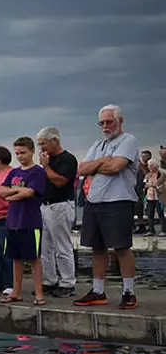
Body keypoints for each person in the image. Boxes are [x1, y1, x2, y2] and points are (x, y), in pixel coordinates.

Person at [74, 104, 139, 310]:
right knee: (97, 248)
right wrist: (103, 161)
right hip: (95, 202)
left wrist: (97, 165)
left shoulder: (128, 141)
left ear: (120, 121)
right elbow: (82, 169)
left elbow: (116, 166)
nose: (105, 126)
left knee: (121, 247)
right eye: (101, 123)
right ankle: (98, 290)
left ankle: (129, 292)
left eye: (109, 122)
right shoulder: (98, 145)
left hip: (118, 200)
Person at [0, 137, 46, 305]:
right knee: (15, 257)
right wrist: (16, 191)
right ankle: (16, 291)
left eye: (23, 153)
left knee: (34, 258)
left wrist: (12, 193)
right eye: (17, 153)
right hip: (12, 222)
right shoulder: (14, 172)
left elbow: (29, 193)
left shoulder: (37, 172)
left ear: (32, 151)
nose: (20, 156)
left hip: (30, 222)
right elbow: (0, 192)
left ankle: (39, 293)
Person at [35, 127, 78, 297]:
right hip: (45, 205)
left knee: (62, 246)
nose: (42, 148)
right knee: (45, 247)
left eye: (44, 144)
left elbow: (61, 181)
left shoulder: (67, 159)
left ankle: (68, 282)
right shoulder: (47, 160)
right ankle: (49, 280)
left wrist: (45, 167)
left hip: (60, 204)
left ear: (55, 141)